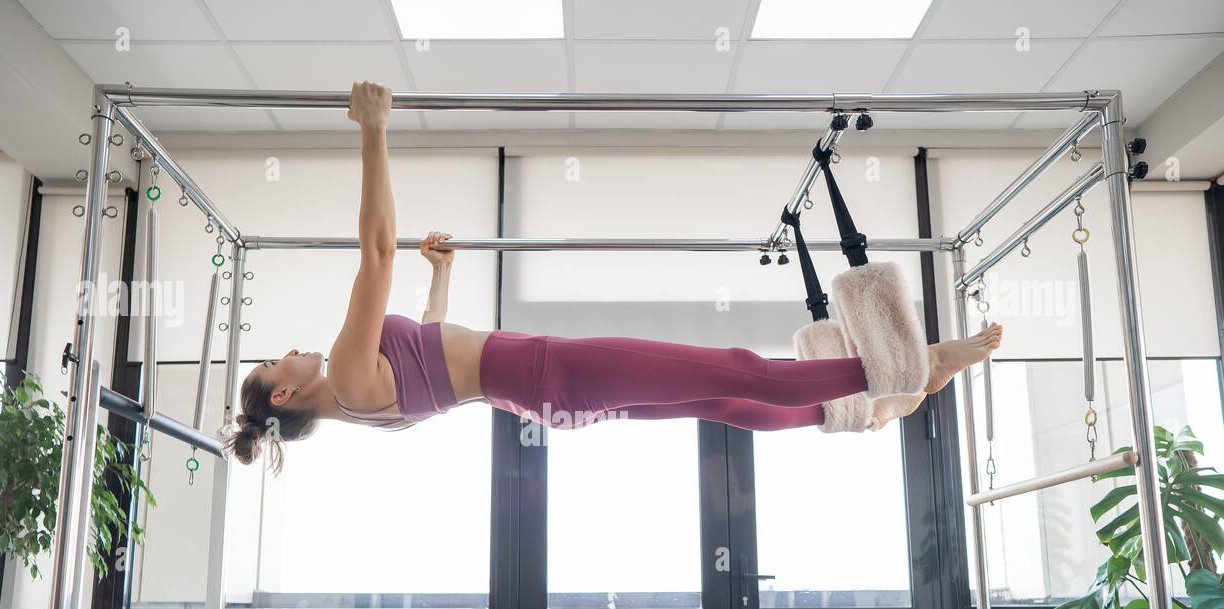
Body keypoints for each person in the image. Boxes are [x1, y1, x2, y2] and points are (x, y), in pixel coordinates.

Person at [227, 82, 1002, 472]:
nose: (290, 350)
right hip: (550, 371)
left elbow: (437, 354)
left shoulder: (366, 404)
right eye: (275, 362)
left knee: (723, 399)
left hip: (546, 391)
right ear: (285, 393)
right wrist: (375, 131)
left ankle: (866, 411)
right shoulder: (350, 376)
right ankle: (907, 368)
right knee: (735, 370)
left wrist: (443, 275)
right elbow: (376, 252)